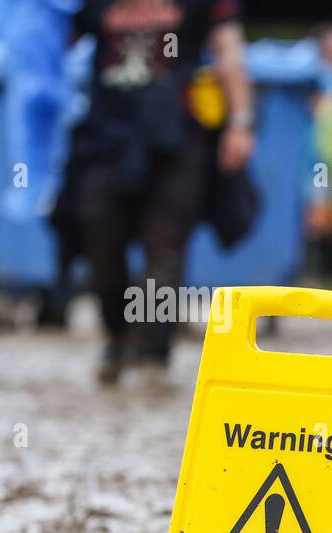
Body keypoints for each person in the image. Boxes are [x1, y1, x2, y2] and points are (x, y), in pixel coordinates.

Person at [58, 0, 254, 389]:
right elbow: (49, 39)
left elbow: (229, 51)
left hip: (177, 135)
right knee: (98, 234)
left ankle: (153, 353)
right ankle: (117, 334)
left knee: (164, 248)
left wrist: (241, 123)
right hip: (107, 134)